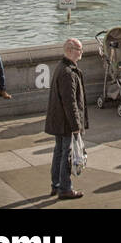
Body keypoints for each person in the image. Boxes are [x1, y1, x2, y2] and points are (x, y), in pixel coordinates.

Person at [44, 37, 87, 201]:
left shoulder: (61, 67)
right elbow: (70, 103)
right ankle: (65, 188)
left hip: (58, 120)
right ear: (70, 51)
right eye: (79, 50)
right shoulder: (68, 73)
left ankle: (55, 185)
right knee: (66, 154)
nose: (81, 52)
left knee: (59, 152)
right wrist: (76, 126)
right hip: (65, 122)